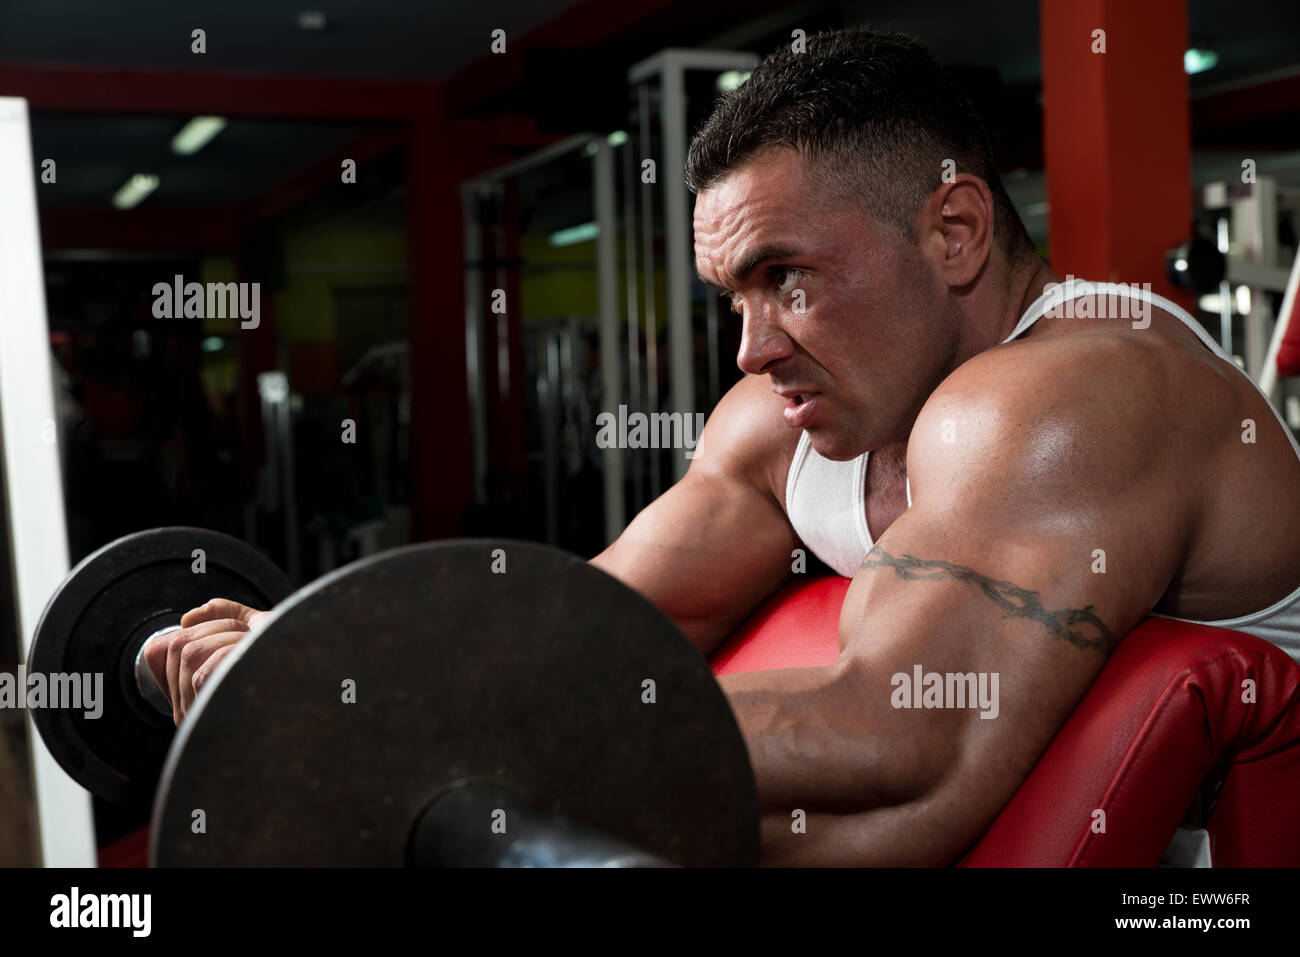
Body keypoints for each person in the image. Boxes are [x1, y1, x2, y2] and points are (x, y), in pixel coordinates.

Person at [144, 27, 1300, 865]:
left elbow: (900, 740)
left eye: (784, 277)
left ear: (952, 231)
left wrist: (394, 712)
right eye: (729, 294)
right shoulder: (789, 419)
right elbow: (589, 628)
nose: (750, 347)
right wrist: (325, 653)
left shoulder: (1076, 396)